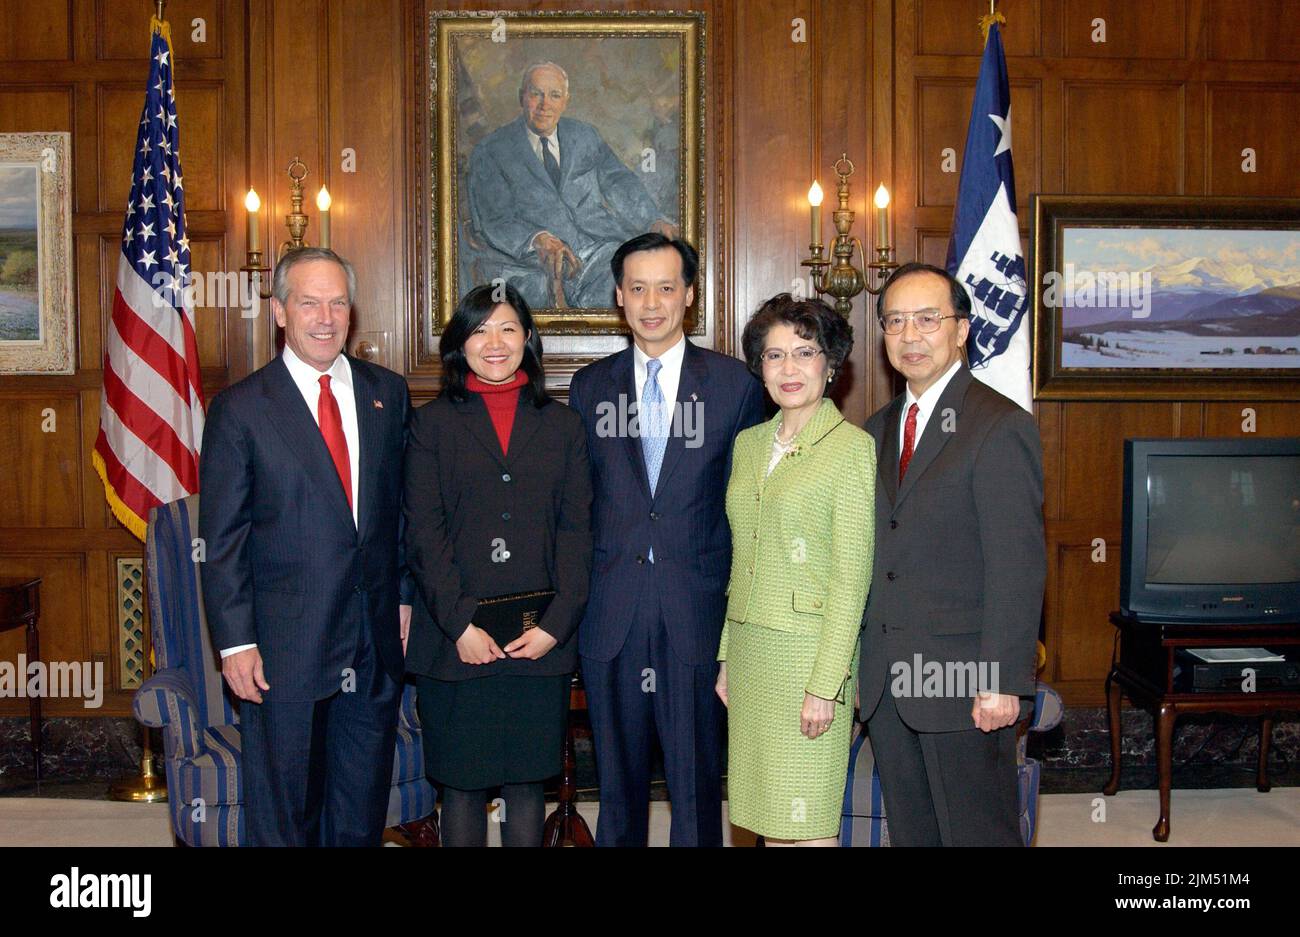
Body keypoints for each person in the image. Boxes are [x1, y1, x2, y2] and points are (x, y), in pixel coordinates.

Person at [199, 247, 412, 846]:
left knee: (358, 808)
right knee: (285, 812)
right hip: (282, 647)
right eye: (309, 302)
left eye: (337, 302)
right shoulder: (241, 408)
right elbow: (222, 538)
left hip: (371, 641)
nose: (325, 317)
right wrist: (236, 640)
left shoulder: (386, 393)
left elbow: (399, 512)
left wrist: (403, 596)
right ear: (280, 311)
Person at [567, 232, 766, 846]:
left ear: (690, 296)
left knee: (698, 787)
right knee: (618, 793)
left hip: (698, 615)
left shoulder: (736, 386)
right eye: (637, 288)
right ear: (618, 297)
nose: (651, 302)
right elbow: (577, 508)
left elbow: (753, 511)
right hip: (612, 612)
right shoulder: (589, 388)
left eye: (666, 287)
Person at [859, 262, 1045, 846]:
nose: (910, 336)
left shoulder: (999, 425)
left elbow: (1017, 564)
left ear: (961, 329)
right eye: (895, 322)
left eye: (927, 319)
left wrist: (1003, 680)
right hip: (888, 683)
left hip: (964, 685)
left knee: (977, 836)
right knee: (914, 835)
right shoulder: (876, 428)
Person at [403, 283, 592, 847]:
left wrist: (556, 628)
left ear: (528, 339)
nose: (494, 342)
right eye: (479, 329)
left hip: (539, 642)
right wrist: (459, 625)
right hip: (453, 640)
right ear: (459, 343)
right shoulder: (430, 425)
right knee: (461, 786)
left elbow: (578, 533)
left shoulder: (564, 426)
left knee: (527, 784)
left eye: (508, 328)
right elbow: (423, 534)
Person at [717, 294, 874, 846]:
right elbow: (742, 557)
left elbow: (851, 580)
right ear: (759, 367)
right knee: (765, 821)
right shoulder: (748, 444)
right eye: (774, 355)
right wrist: (726, 657)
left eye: (804, 353)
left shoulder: (852, 449)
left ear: (831, 365)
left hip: (809, 660)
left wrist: (826, 687)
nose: (788, 369)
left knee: (806, 826)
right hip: (751, 655)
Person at [466, 61, 677, 310]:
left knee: (658, 284)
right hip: (543, 265)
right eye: (536, 94)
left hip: (606, 249)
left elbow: (618, 182)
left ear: (566, 100)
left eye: (554, 95)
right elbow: (495, 219)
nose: (545, 105)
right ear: (522, 97)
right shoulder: (491, 151)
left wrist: (652, 220)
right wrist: (537, 239)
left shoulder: (584, 136)